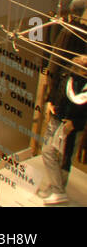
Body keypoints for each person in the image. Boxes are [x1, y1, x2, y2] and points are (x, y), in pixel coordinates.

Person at [38, 52, 87, 204]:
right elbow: (57, 90)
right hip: (56, 119)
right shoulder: (67, 76)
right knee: (48, 151)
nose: (82, 59)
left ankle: (58, 190)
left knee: (64, 158)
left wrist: (75, 124)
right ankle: (57, 188)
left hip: (70, 127)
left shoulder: (83, 87)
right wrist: (51, 103)